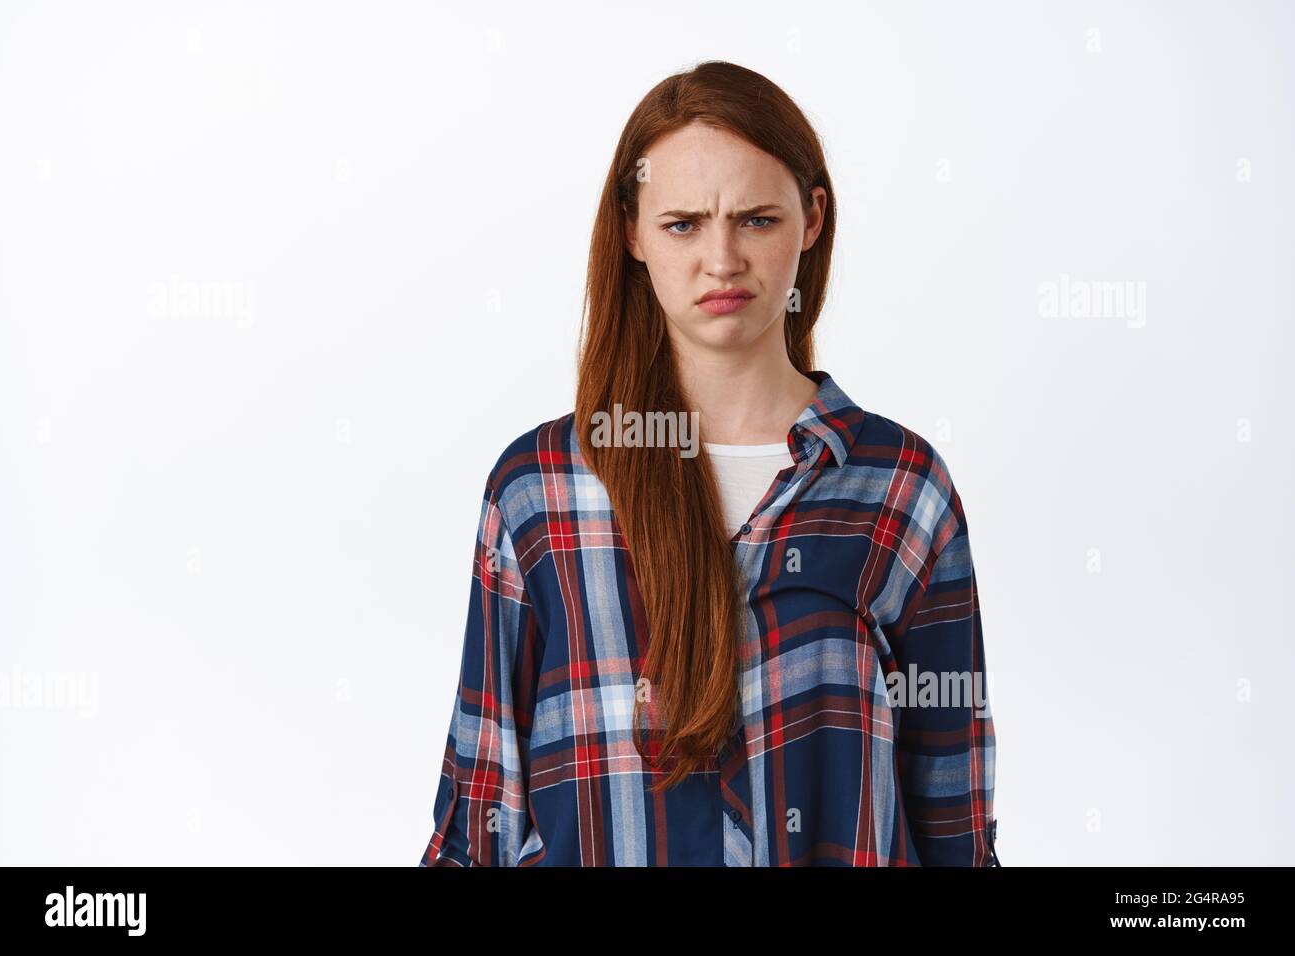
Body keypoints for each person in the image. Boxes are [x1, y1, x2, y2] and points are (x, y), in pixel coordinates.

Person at [419, 60, 998, 867]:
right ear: (631, 233)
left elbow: (953, 815)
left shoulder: (899, 487)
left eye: (756, 220)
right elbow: (480, 810)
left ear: (812, 218)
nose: (721, 260)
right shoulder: (541, 491)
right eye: (682, 223)